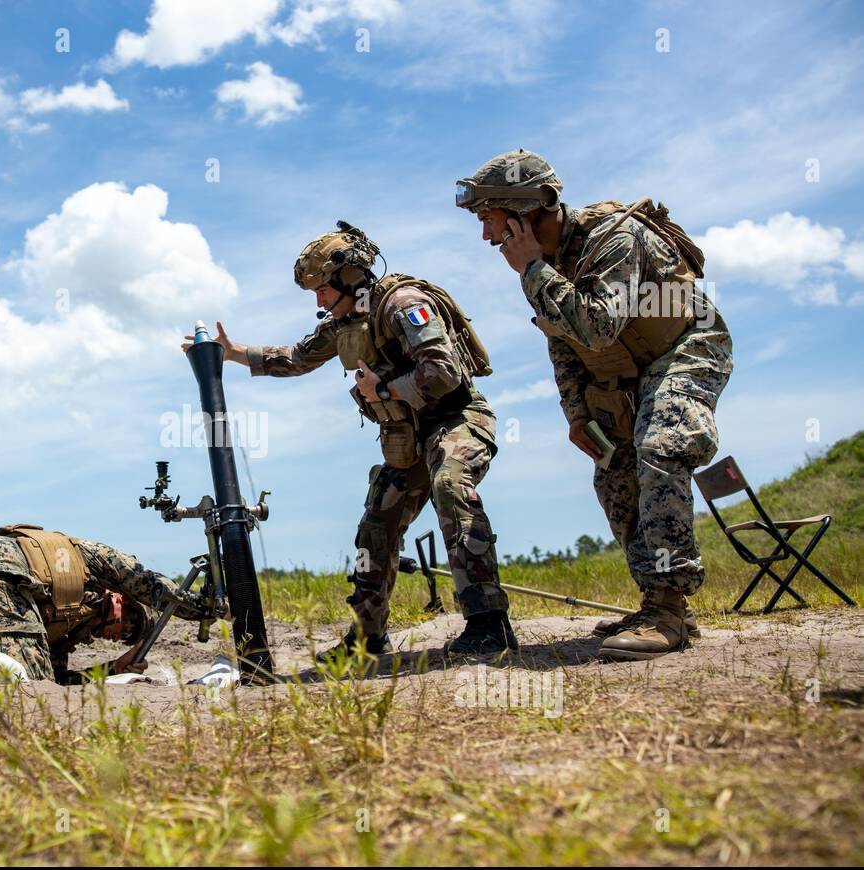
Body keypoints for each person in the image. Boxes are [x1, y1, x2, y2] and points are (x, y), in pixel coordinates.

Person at [188, 222, 516, 660]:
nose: (319, 300)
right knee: (375, 528)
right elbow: (296, 357)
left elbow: (444, 373)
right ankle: (367, 637)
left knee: (449, 485)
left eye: (322, 289)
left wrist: (384, 390)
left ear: (348, 278)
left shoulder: (403, 304)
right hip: (408, 438)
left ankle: (488, 623)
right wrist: (232, 352)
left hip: (454, 419)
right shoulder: (346, 321)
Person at [455, 149, 734, 660]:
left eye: (490, 220)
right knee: (613, 472)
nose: (487, 237)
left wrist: (534, 269)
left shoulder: (613, 240)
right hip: (627, 371)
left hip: (686, 350)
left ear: (523, 210)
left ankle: (669, 607)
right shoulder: (542, 265)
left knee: (660, 446)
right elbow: (561, 340)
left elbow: (598, 327)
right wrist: (578, 414)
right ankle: (658, 601)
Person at [0, 524, 207, 683]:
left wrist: (113, 669)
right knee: (28, 688)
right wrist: (212, 609)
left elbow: (58, 680)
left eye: (126, 637)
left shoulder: (62, 626)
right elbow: (147, 582)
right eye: (128, 621)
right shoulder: (91, 560)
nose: (120, 634)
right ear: (120, 597)